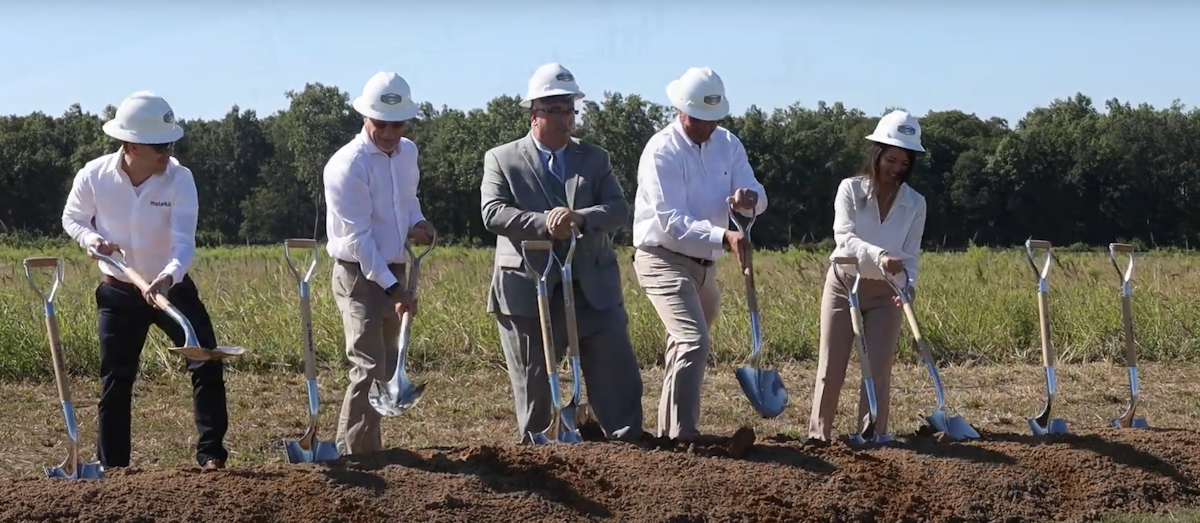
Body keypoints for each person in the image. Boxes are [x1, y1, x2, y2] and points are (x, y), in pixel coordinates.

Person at [60, 91, 230, 471]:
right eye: (160, 146)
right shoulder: (94, 176)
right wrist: (92, 240)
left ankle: (211, 455)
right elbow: (73, 218)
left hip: (172, 289)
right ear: (131, 146)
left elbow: (183, 242)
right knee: (116, 382)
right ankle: (114, 468)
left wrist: (168, 276)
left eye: (171, 143)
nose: (168, 152)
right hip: (119, 292)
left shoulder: (180, 179)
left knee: (206, 361)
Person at [480, 62, 644, 443]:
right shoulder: (502, 158)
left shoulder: (595, 158)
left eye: (570, 110)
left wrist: (580, 218)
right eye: (555, 110)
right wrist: (545, 223)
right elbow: (493, 212)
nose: (565, 119)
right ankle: (540, 452)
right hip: (528, 287)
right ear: (534, 113)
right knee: (535, 382)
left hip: (592, 287)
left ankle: (629, 447)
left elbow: (618, 209)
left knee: (616, 373)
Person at [631, 66, 768, 442]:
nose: (708, 126)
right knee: (693, 340)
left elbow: (757, 194)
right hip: (662, 257)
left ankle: (668, 435)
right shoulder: (661, 150)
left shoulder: (729, 144)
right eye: (699, 118)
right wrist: (723, 236)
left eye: (714, 118)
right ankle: (684, 433)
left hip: (705, 264)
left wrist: (749, 199)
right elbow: (671, 220)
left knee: (683, 346)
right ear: (680, 109)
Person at [323, 71, 436, 456]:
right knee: (369, 367)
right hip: (359, 275)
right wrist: (395, 290)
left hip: (394, 269)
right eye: (381, 124)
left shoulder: (408, 153)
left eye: (397, 125)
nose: (389, 133)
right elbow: (359, 239)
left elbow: (407, 199)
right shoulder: (347, 165)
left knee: (387, 368)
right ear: (365, 117)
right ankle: (354, 455)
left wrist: (418, 223)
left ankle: (371, 448)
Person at [807, 109, 928, 444]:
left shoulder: (915, 203)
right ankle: (819, 435)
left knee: (878, 368)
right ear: (877, 155)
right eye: (891, 160)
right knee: (831, 365)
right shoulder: (850, 190)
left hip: (886, 293)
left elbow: (911, 254)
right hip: (845, 284)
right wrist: (879, 255)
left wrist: (909, 287)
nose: (896, 169)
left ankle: (873, 432)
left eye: (904, 163)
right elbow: (844, 238)